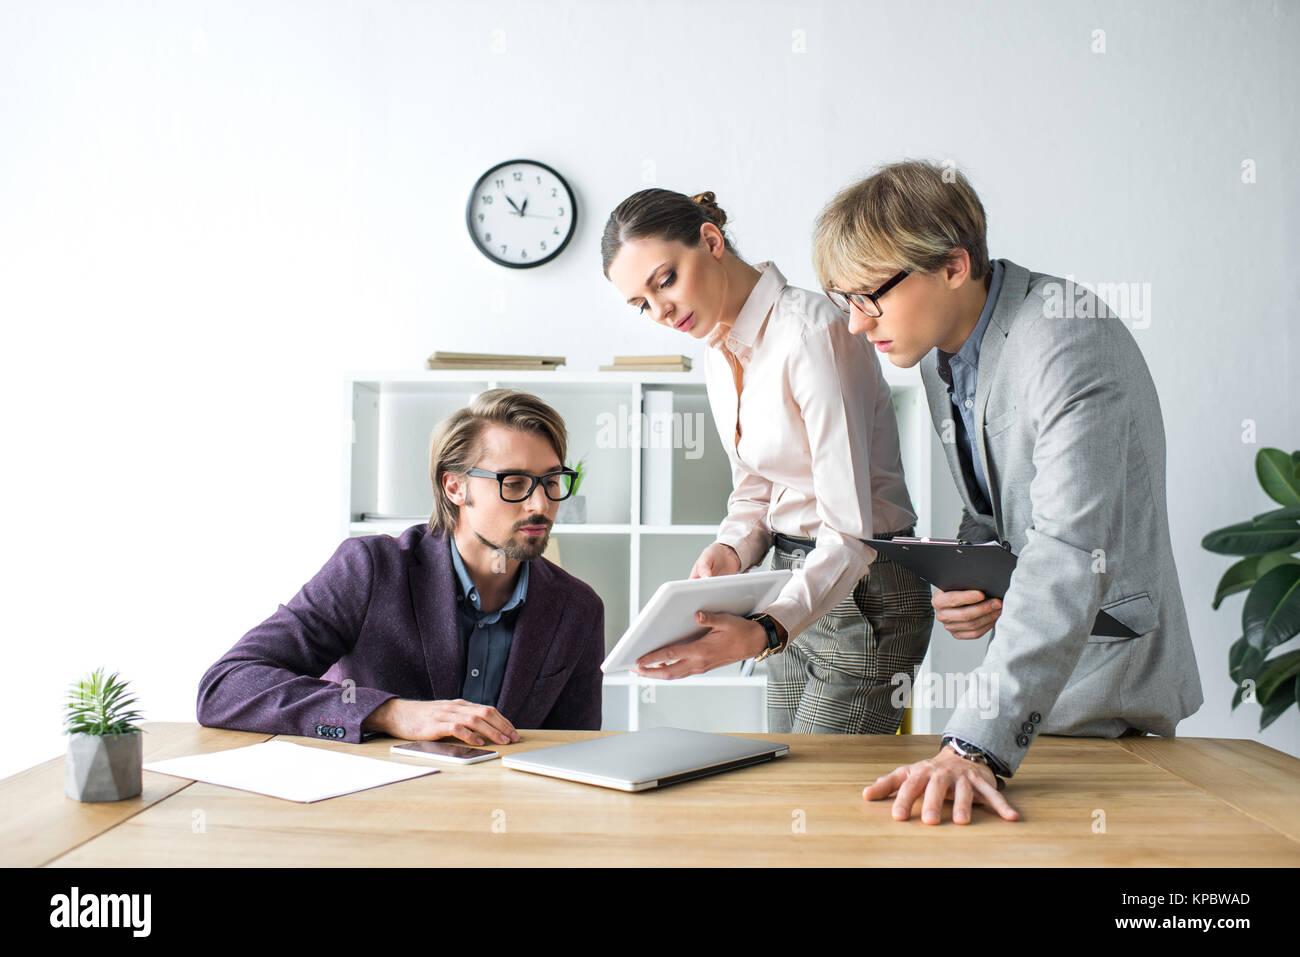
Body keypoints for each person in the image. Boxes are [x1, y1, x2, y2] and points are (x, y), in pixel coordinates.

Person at [811, 159, 1203, 823]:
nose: (855, 323)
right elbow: (995, 500)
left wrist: (971, 742)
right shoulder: (942, 348)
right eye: (843, 300)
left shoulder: (1065, 339)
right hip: (1034, 699)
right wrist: (976, 576)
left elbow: (1069, 550)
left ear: (954, 266)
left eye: (869, 295)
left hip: (1108, 692)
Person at [602, 188, 934, 734]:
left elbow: (852, 530)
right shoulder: (717, 349)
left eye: (665, 280)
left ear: (710, 241)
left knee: (820, 791)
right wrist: (730, 551)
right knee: (785, 782)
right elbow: (755, 488)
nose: (660, 311)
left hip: (865, 588)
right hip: (789, 580)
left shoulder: (812, 331)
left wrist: (766, 630)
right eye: (641, 304)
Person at [197, 388, 605, 746]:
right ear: (454, 487)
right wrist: (391, 713)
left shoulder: (578, 608)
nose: (541, 504)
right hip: (375, 811)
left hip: (510, 818)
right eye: (514, 483)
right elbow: (226, 686)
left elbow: (573, 753)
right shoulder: (370, 569)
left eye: (552, 480)